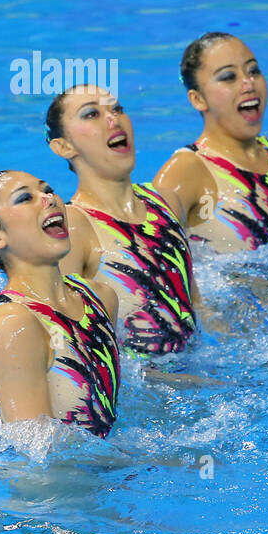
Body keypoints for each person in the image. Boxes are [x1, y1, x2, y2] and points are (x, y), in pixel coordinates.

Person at [0, 171, 120, 436]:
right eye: (25, 197)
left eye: (48, 189)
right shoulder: (14, 324)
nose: (49, 198)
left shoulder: (101, 298)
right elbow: (34, 462)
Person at [45, 85, 197, 354]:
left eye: (117, 109)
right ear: (63, 146)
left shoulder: (166, 201)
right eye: (91, 114)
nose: (113, 119)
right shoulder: (73, 227)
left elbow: (192, 298)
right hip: (146, 388)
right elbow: (68, 341)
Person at [154, 32, 268, 253]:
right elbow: (155, 259)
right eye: (229, 76)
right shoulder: (185, 171)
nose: (248, 83)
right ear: (198, 99)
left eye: (254, 71)